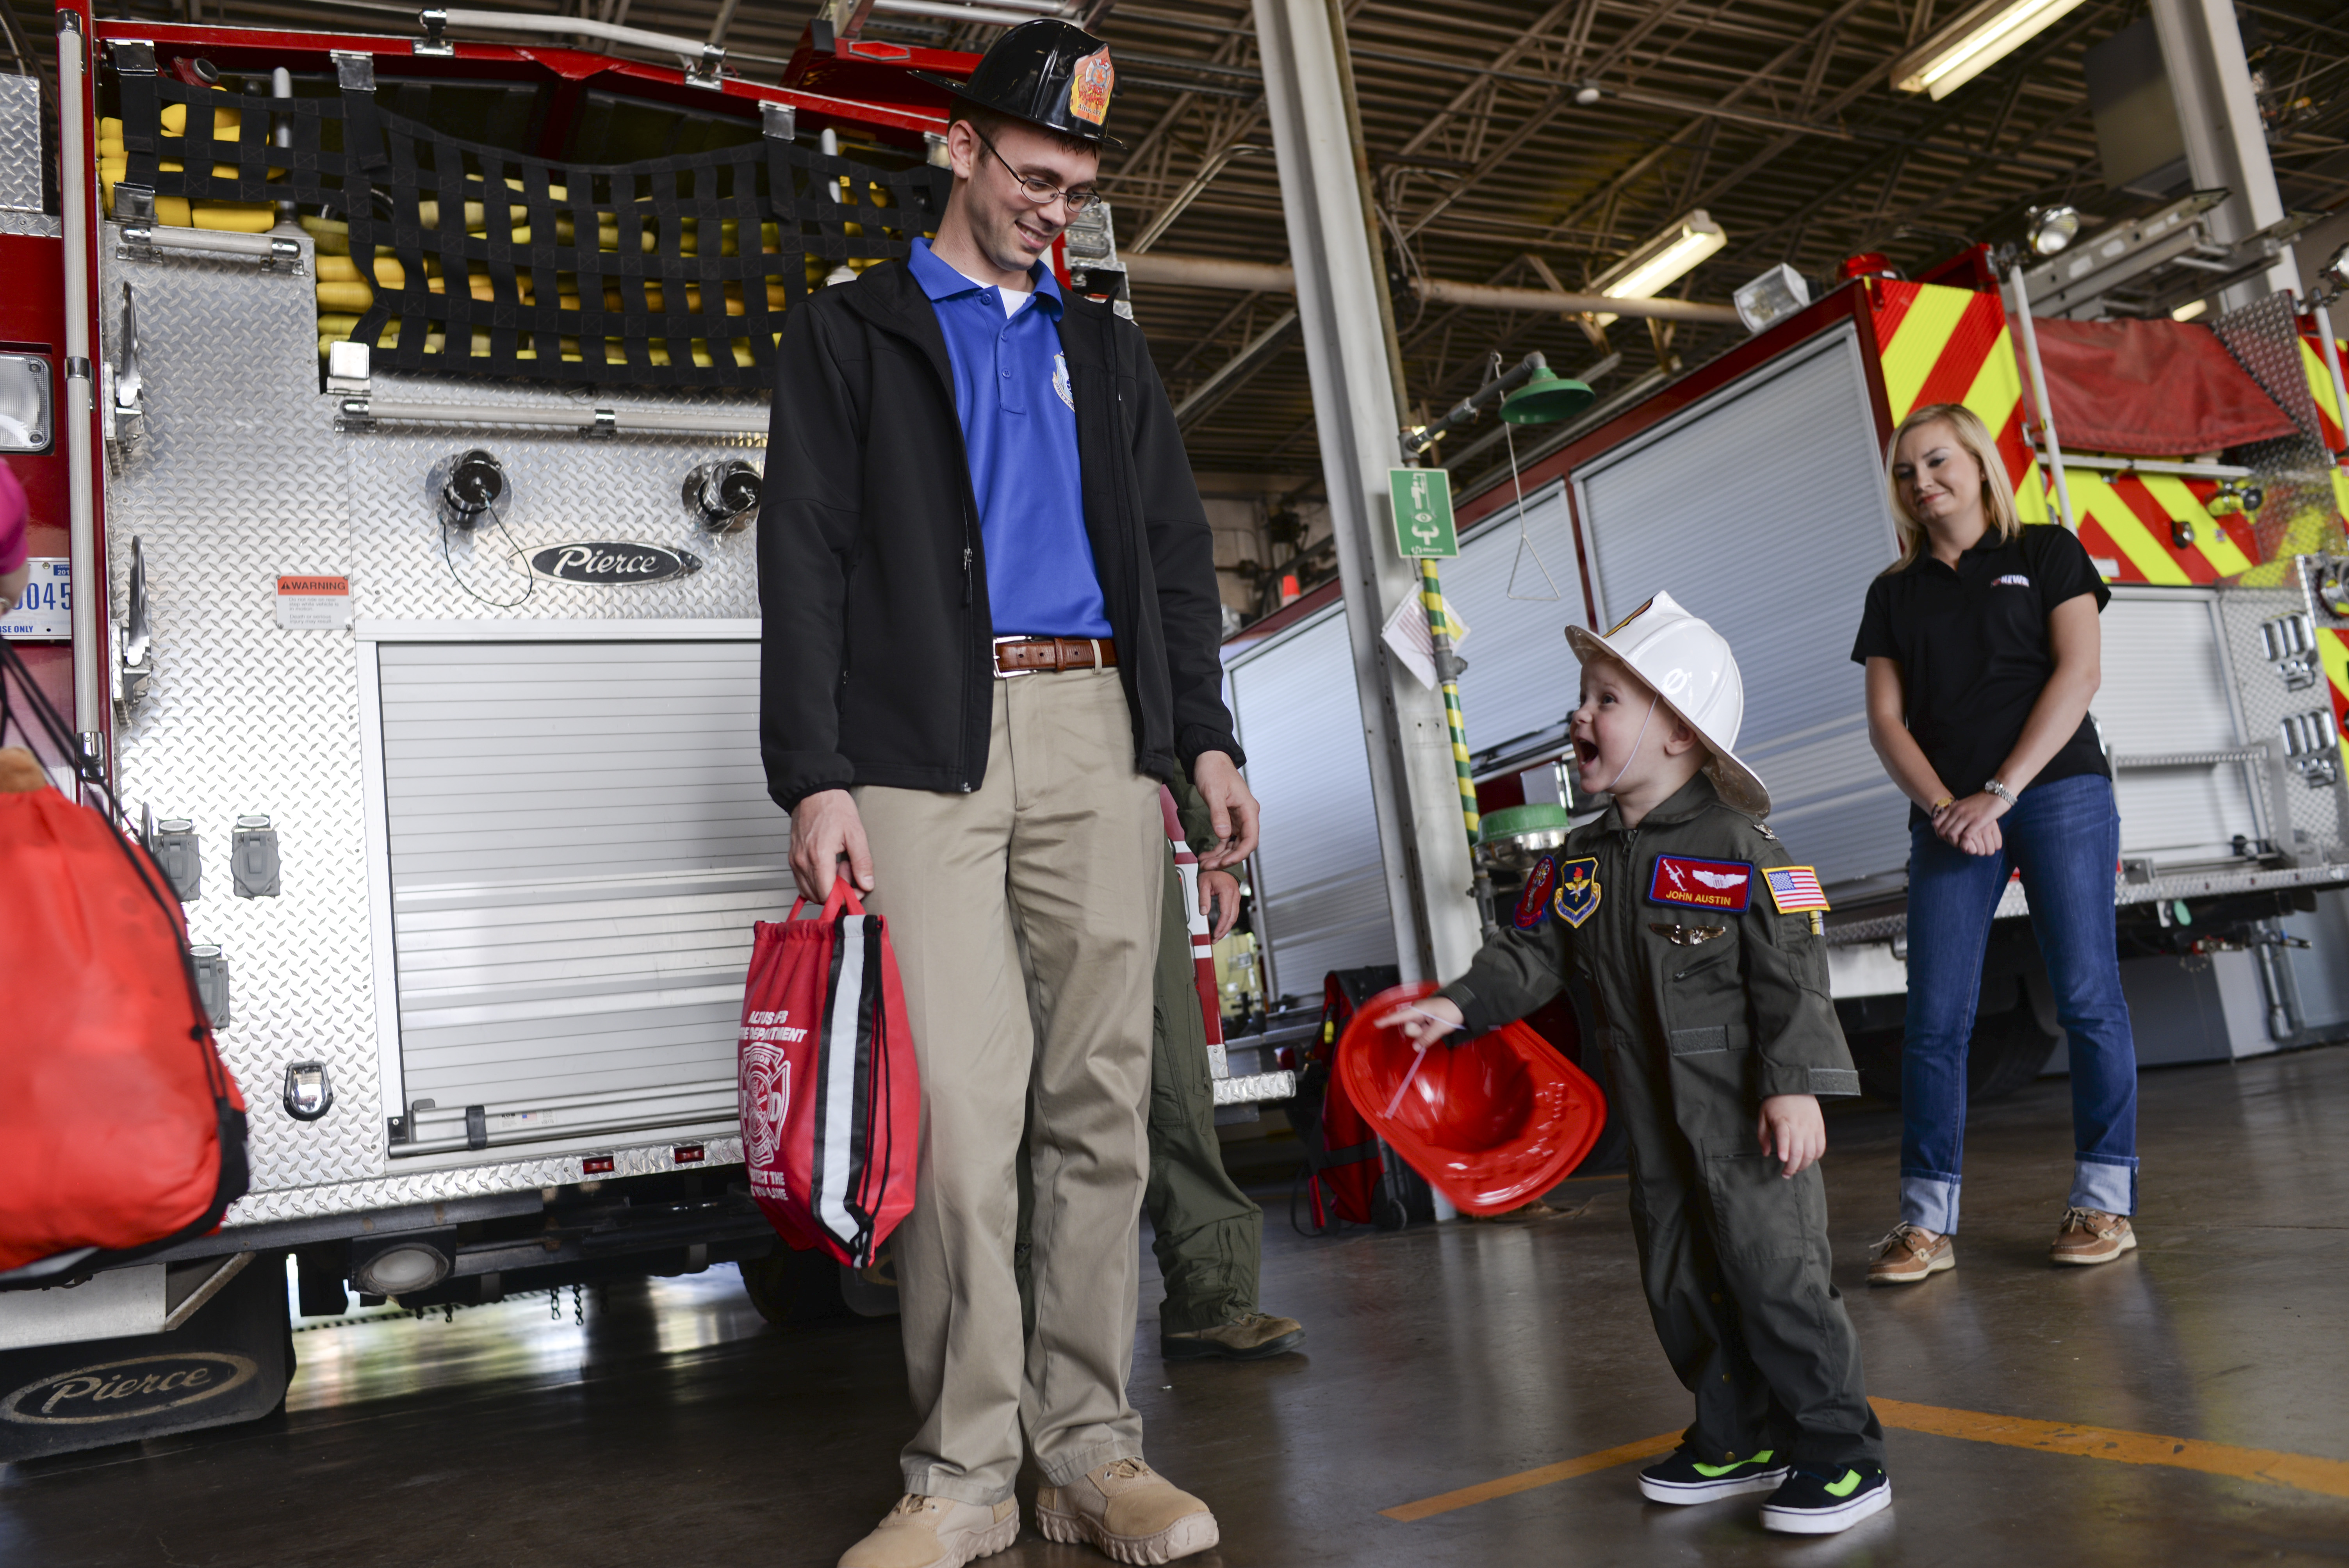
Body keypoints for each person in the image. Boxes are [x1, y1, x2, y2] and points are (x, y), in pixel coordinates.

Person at [758, 20, 1257, 1568]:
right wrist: (815, 772)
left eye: (1077, 185)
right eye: (1035, 176)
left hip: (1101, 723)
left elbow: (1174, 559)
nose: (1058, 207)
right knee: (967, 1120)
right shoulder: (855, 335)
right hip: (925, 744)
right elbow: (804, 561)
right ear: (957, 149)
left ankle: (1090, 1454)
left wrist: (1203, 739)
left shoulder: (1102, 349)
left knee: (1099, 1101)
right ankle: (964, 1474)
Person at [1379, 593, 1891, 1536]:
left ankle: (1839, 1450)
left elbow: (1793, 974)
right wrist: (1458, 1001)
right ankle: (1736, 1433)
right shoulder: (1577, 863)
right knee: (1679, 1276)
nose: (1580, 714)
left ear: (1679, 733)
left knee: (1774, 1273)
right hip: (1651, 1121)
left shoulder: (1745, 848)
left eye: (1606, 698)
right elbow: (1528, 953)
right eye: (1584, 695)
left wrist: (1794, 1084)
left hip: (1740, 1114)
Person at [1852, 402, 2138, 1284]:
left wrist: (1999, 792)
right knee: (1935, 1019)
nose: (1921, 482)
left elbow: (2077, 674)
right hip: (1949, 814)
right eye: (1905, 472)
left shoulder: (2043, 551)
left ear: (1977, 465)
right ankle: (1924, 1224)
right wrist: (1948, 805)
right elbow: (1885, 722)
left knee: (2086, 995)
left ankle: (2103, 1204)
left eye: (1936, 462)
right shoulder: (1892, 592)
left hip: (2055, 791)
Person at [1014, 778, 1306, 1363]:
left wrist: (1210, 852)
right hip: (1005, 847)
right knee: (1024, 1090)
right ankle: (1024, 1320)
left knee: (1172, 1078)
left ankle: (1212, 1302)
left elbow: (1170, 704)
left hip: (1130, 846)